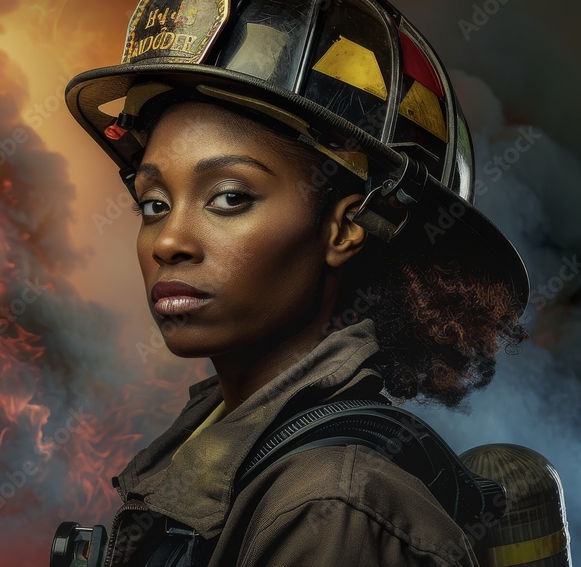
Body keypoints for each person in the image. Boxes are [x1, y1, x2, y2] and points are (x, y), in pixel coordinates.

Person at [62, 0, 531, 565]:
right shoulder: (229, 450)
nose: (167, 242)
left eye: (230, 197)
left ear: (344, 228)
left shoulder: (331, 508)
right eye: (154, 203)